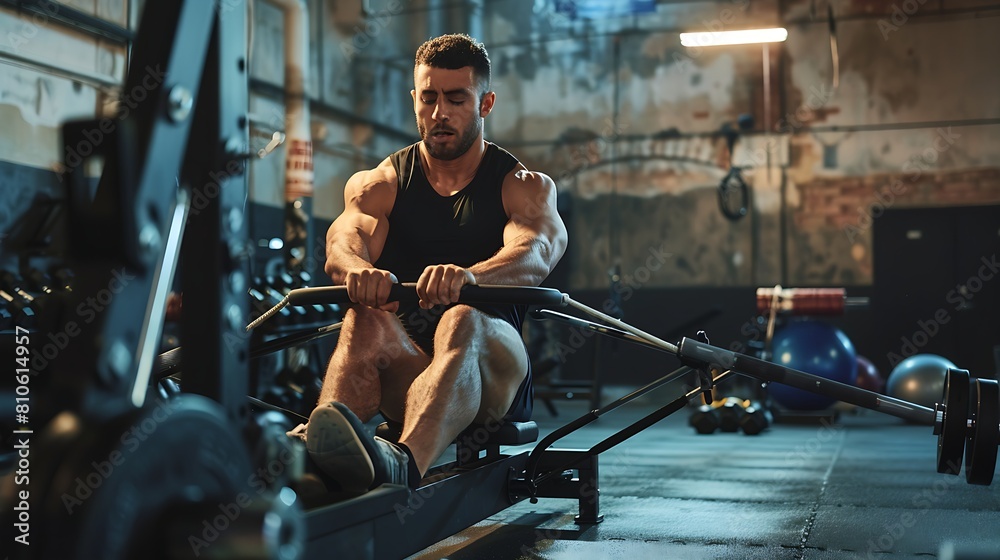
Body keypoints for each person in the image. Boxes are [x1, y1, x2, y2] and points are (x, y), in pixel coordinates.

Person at [291, 33, 568, 492]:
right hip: (416, 381)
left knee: (462, 319)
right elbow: (344, 238)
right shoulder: (380, 181)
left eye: (457, 99)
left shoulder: (521, 185)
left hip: (494, 380)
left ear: (485, 103)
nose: (439, 113)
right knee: (365, 318)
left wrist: (471, 276)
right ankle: (314, 456)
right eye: (429, 98)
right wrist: (357, 269)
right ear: (415, 99)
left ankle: (404, 464)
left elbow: (536, 251)